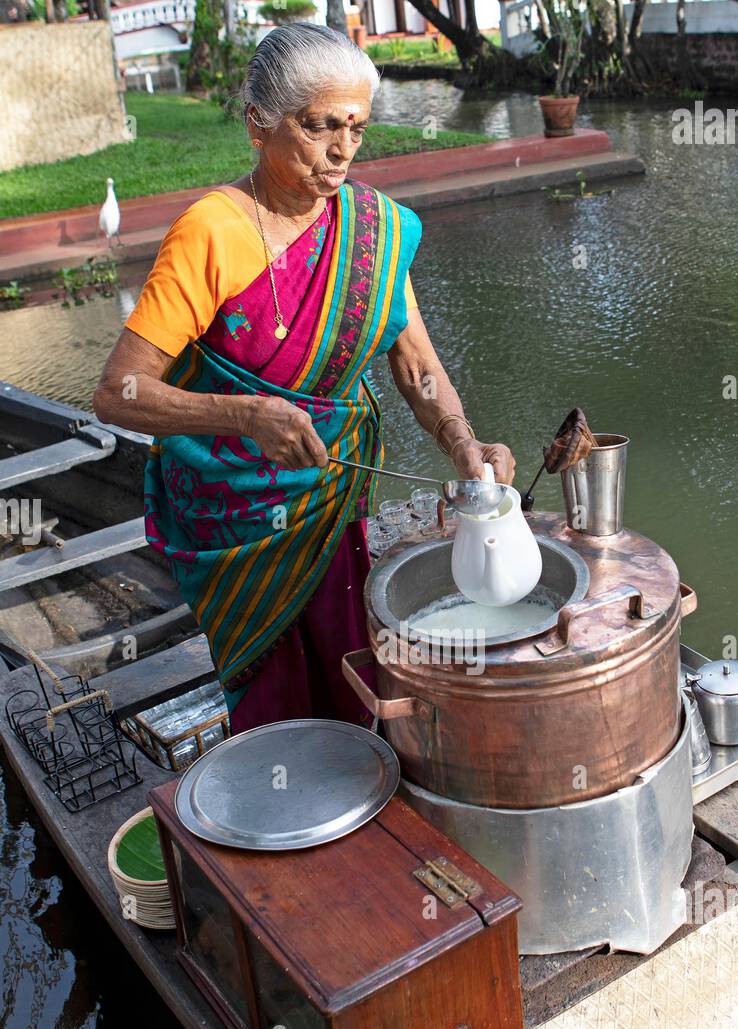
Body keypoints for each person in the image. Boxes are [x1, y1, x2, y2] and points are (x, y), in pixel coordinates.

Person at [94, 24, 516, 734]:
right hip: (237, 519)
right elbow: (118, 392)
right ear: (259, 124)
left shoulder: (371, 228)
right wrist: (247, 418)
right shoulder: (212, 232)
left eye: (355, 126)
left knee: (345, 656)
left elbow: (415, 367)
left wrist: (463, 445)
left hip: (326, 496)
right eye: (319, 125)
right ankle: (277, 810)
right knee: (272, 686)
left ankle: (357, 780)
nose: (343, 148)